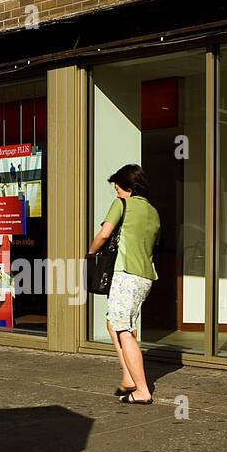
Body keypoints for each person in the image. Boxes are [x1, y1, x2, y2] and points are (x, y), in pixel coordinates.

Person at [88, 164, 160, 404]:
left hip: (125, 274)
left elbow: (104, 235)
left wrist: (89, 253)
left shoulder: (122, 204)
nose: (116, 193)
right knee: (114, 323)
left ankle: (141, 390)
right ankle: (129, 376)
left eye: (117, 188)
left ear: (127, 187)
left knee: (123, 330)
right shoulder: (153, 212)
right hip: (145, 276)